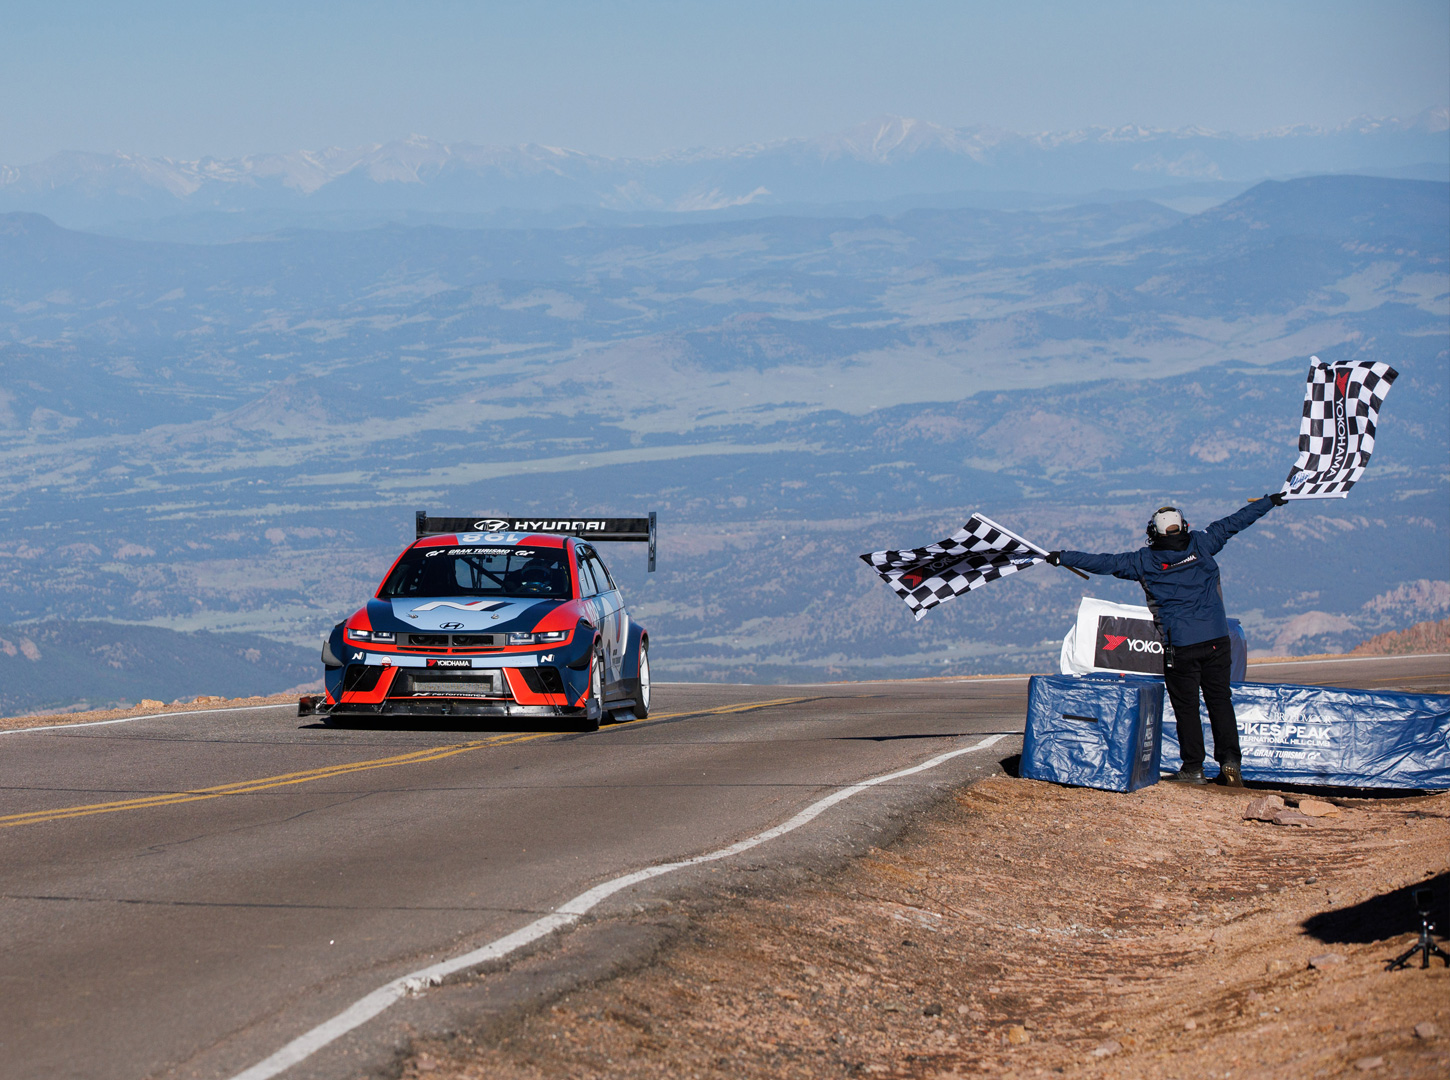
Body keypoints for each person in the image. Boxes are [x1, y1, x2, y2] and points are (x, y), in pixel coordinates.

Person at [1047, 494, 1288, 786]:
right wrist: (1270, 501)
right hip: (1216, 640)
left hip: (1181, 646)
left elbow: (1104, 563)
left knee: (1187, 707)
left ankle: (1193, 768)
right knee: (1220, 701)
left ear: (1153, 533)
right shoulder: (1203, 543)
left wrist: (1062, 557)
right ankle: (1230, 762)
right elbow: (1236, 521)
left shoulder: (1143, 561)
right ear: (1184, 526)